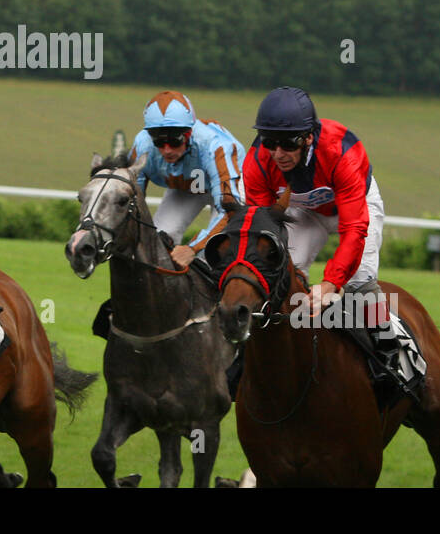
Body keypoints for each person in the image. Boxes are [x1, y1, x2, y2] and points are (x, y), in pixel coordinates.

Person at [237, 86, 409, 391]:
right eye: (269, 142)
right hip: (305, 212)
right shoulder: (257, 162)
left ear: (308, 137)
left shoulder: (342, 150)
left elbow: (355, 229)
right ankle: (251, 356)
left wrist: (331, 282)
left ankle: (393, 358)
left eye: (287, 144)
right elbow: (264, 229)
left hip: (355, 208)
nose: (277, 153)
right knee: (278, 276)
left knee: (359, 285)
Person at [128, 90, 245, 268]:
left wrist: (193, 248)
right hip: (190, 184)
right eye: (159, 141)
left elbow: (230, 210)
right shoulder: (142, 144)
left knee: (211, 252)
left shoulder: (217, 147)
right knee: (160, 239)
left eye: (175, 141)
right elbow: (132, 201)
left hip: (229, 186)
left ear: (189, 134)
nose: (167, 150)